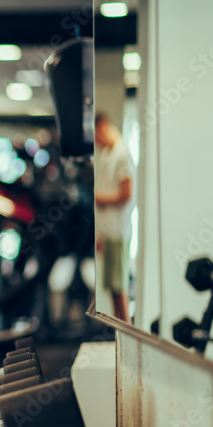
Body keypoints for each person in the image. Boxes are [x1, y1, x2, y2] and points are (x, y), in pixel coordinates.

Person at [93, 110, 133, 321]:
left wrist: (99, 198)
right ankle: (120, 334)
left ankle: (126, 335)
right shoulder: (108, 153)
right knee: (112, 289)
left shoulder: (121, 153)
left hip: (118, 230)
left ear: (102, 127)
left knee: (119, 288)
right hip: (108, 231)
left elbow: (126, 193)